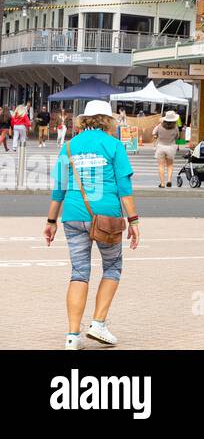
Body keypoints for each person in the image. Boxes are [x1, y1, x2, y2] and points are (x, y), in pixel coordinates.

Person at [44, 100, 141, 350]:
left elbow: (59, 189)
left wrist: (51, 221)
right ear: (108, 120)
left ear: (83, 120)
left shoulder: (69, 147)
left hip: (74, 215)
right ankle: (98, 324)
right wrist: (133, 221)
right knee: (112, 267)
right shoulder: (114, 145)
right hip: (106, 215)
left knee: (79, 273)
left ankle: (72, 336)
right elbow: (124, 189)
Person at [151, 111, 181, 188]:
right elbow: (177, 138)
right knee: (170, 165)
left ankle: (162, 183)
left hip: (161, 147)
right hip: (171, 148)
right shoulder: (175, 128)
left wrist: (156, 136)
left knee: (161, 166)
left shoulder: (160, 126)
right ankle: (169, 180)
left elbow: (154, 133)